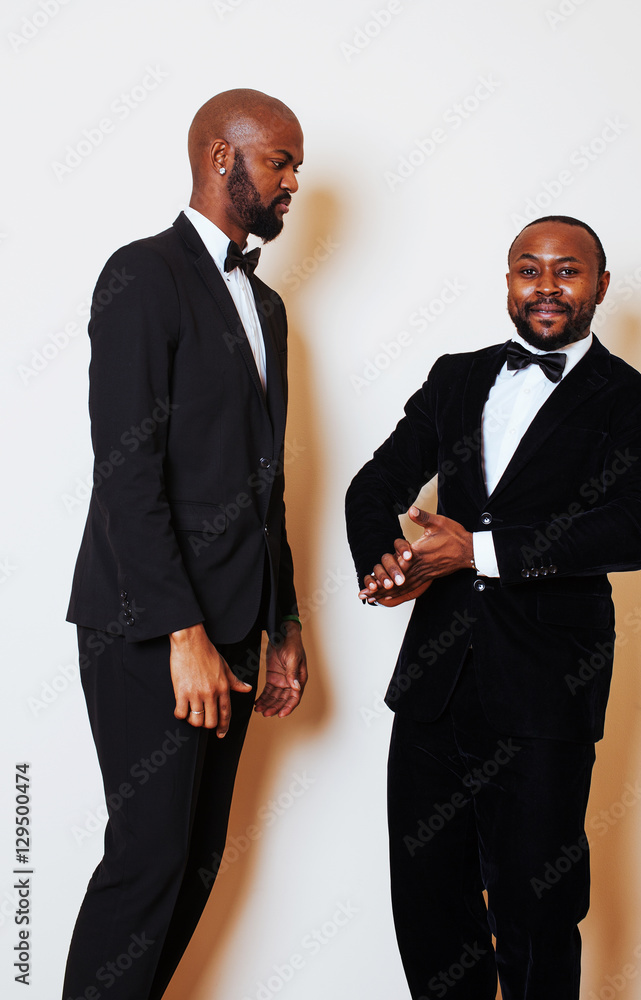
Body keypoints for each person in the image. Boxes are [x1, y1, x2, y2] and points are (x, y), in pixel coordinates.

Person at [345, 216, 641, 1000]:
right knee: (429, 904)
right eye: (528, 270)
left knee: (537, 909)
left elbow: (639, 528)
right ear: (508, 283)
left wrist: (478, 552)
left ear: (600, 285)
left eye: (567, 271)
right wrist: (390, 563)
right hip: (434, 691)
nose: (546, 286)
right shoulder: (456, 378)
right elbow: (374, 485)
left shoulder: (639, 402)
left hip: (546, 693)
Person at [63, 89, 308, 1000]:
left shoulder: (268, 306)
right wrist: (182, 634)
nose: (291, 182)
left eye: (294, 165)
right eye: (277, 162)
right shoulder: (141, 274)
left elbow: (265, 477)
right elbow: (126, 474)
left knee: (196, 863)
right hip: (149, 628)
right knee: (148, 860)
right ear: (220, 157)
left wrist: (281, 622)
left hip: (238, 623)